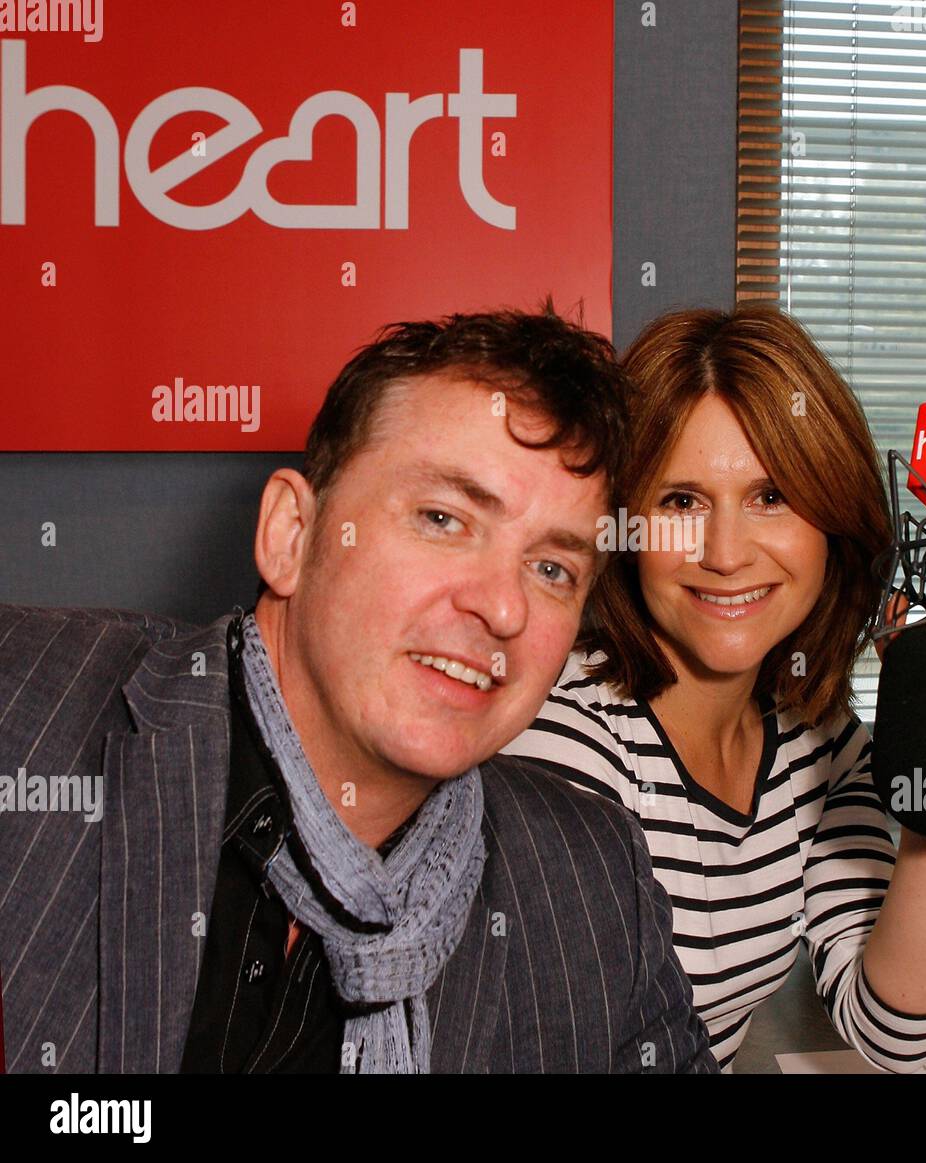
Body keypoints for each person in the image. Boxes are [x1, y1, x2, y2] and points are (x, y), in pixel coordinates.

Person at [0, 308, 716, 1074]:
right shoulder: (26, 706)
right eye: (444, 518)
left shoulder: (591, 878)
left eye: (552, 569)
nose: (503, 609)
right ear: (291, 535)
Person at [500, 304, 926, 1071]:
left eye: (771, 497)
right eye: (681, 501)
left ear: (834, 521)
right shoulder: (563, 748)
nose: (726, 553)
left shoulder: (820, 738)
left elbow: (898, 1031)